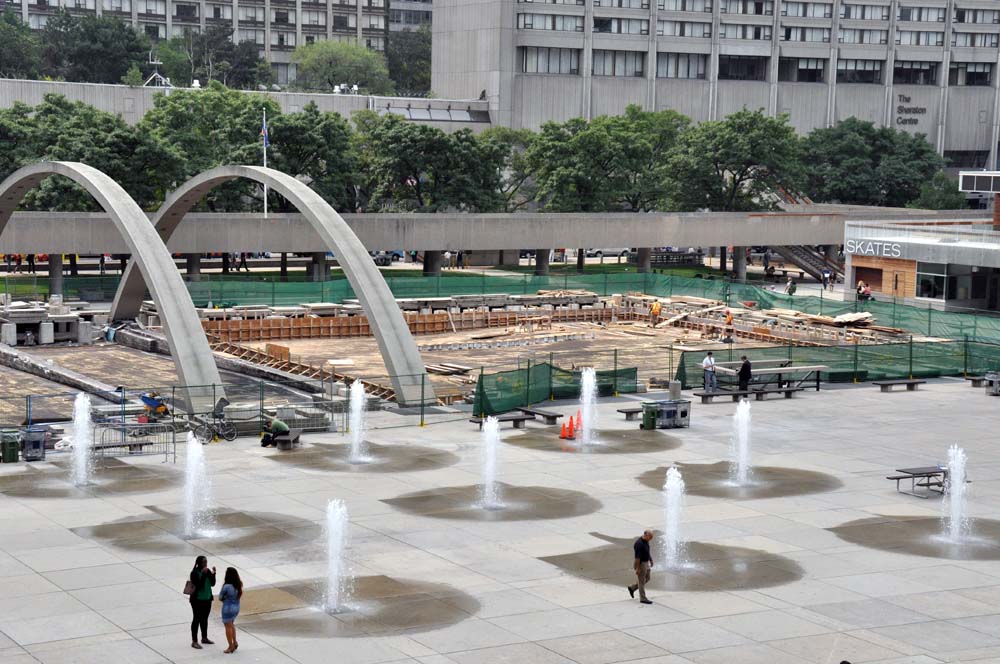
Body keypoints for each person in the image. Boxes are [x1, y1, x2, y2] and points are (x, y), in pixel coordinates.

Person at [189, 555, 217, 649]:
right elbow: (199, 586)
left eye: (206, 562)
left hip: (207, 598)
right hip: (197, 600)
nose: (205, 563)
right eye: (204, 562)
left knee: (204, 618)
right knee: (197, 618)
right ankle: (194, 641)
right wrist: (204, 574)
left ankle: (204, 637)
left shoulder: (207, 570)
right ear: (199, 563)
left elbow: (212, 584)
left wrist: (214, 574)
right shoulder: (194, 573)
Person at [627, 529, 654, 604]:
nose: (651, 539)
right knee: (641, 581)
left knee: (648, 578)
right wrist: (637, 568)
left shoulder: (646, 541)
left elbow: (647, 551)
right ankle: (643, 598)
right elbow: (637, 558)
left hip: (646, 562)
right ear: (646, 535)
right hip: (641, 564)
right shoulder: (639, 544)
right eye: (650, 537)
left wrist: (651, 560)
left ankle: (632, 588)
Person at [219, 567, 243, 653]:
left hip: (227, 608)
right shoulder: (239, 584)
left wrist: (225, 597)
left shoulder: (226, 586)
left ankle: (230, 646)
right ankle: (235, 642)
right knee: (232, 625)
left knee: (227, 627)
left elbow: (220, 597)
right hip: (236, 608)